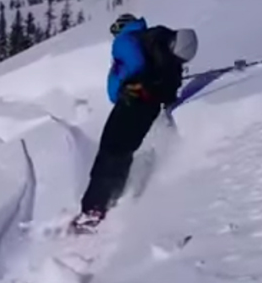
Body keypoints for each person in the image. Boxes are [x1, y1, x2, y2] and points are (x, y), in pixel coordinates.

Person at [71, 13, 198, 232]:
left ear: (122, 26)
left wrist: (126, 84)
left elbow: (135, 65)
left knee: (110, 151)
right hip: (149, 105)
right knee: (123, 151)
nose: (114, 35)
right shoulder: (154, 40)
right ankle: (112, 197)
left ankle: (93, 209)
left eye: (115, 29)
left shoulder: (127, 40)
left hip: (132, 101)